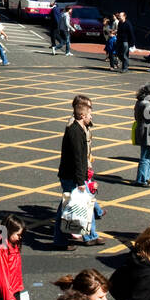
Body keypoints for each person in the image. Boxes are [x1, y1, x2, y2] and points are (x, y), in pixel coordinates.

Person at [53, 96, 102, 248]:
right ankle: (61, 240)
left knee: (82, 204)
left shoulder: (79, 128)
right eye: (89, 115)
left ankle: (89, 236)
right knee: (66, 209)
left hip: (73, 175)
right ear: (82, 116)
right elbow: (77, 158)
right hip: (71, 176)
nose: (91, 117)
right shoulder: (75, 131)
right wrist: (81, 181)